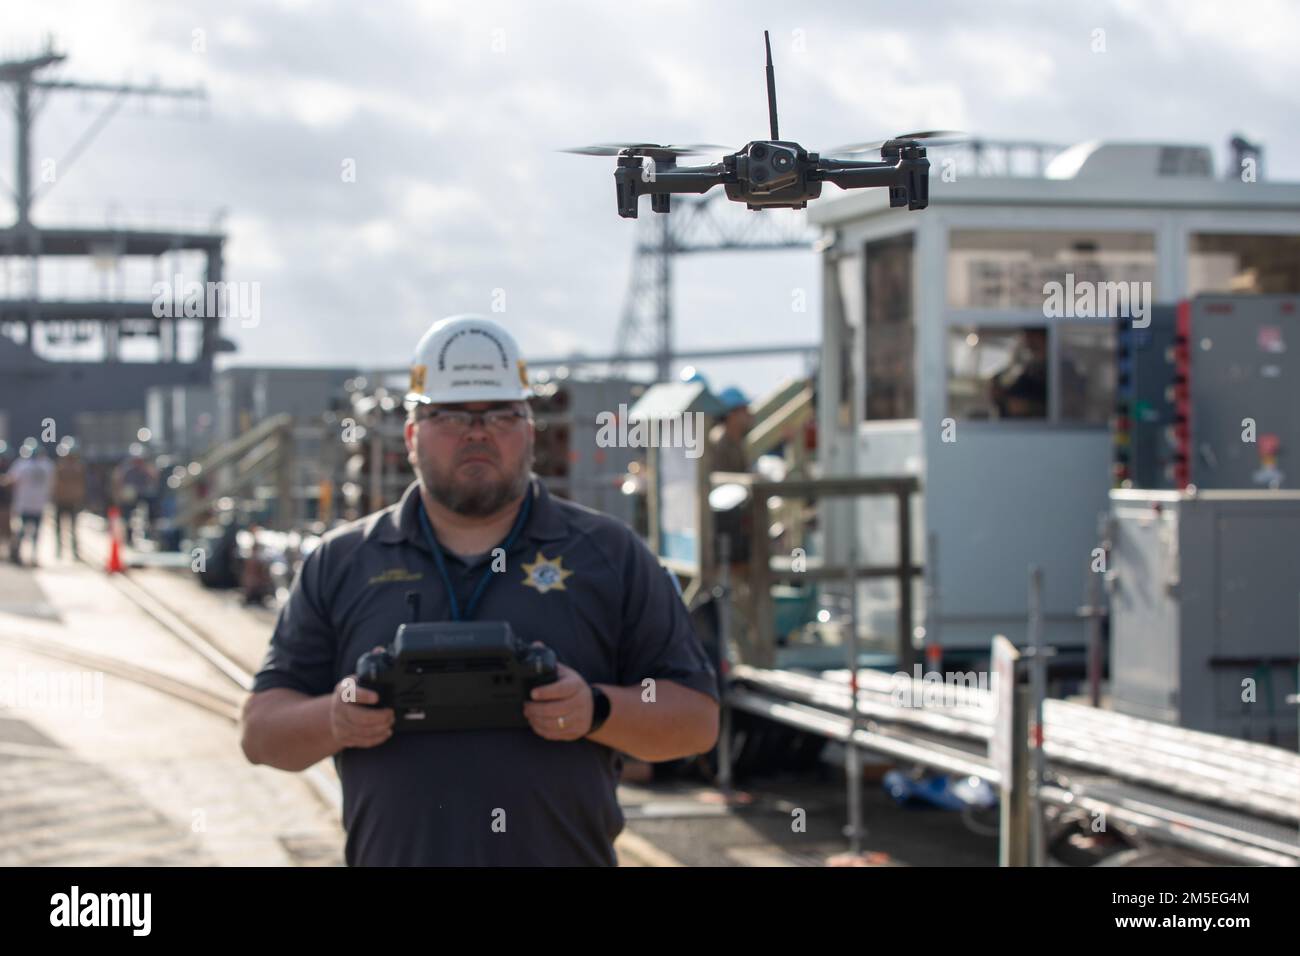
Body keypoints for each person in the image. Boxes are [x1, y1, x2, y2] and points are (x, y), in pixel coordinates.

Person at [239, 315, 720, 866]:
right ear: (412, 436)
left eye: (500, 413)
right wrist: (335, 717)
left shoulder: (609, 556)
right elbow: (260, 732)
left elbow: (696, 722)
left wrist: (597, 708)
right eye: (448, 415)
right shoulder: (344, 561)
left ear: (531, 429)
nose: (477, 431)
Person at [8, 441, 55, 567]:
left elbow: (11, 480)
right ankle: (33, 556)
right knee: (35, 532)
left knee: (22, 531)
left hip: (24, 503)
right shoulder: (47, 465)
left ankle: (19, 554)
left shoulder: (21, 465)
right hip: (39, 504)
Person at [53, 442, 87, 560]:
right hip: (61, 501)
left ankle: (74, 551)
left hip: (72, 501)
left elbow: (81, 485)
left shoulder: (79, 468)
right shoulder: (60, 467)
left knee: (73, 528)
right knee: (59, 528)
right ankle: (59, 550)